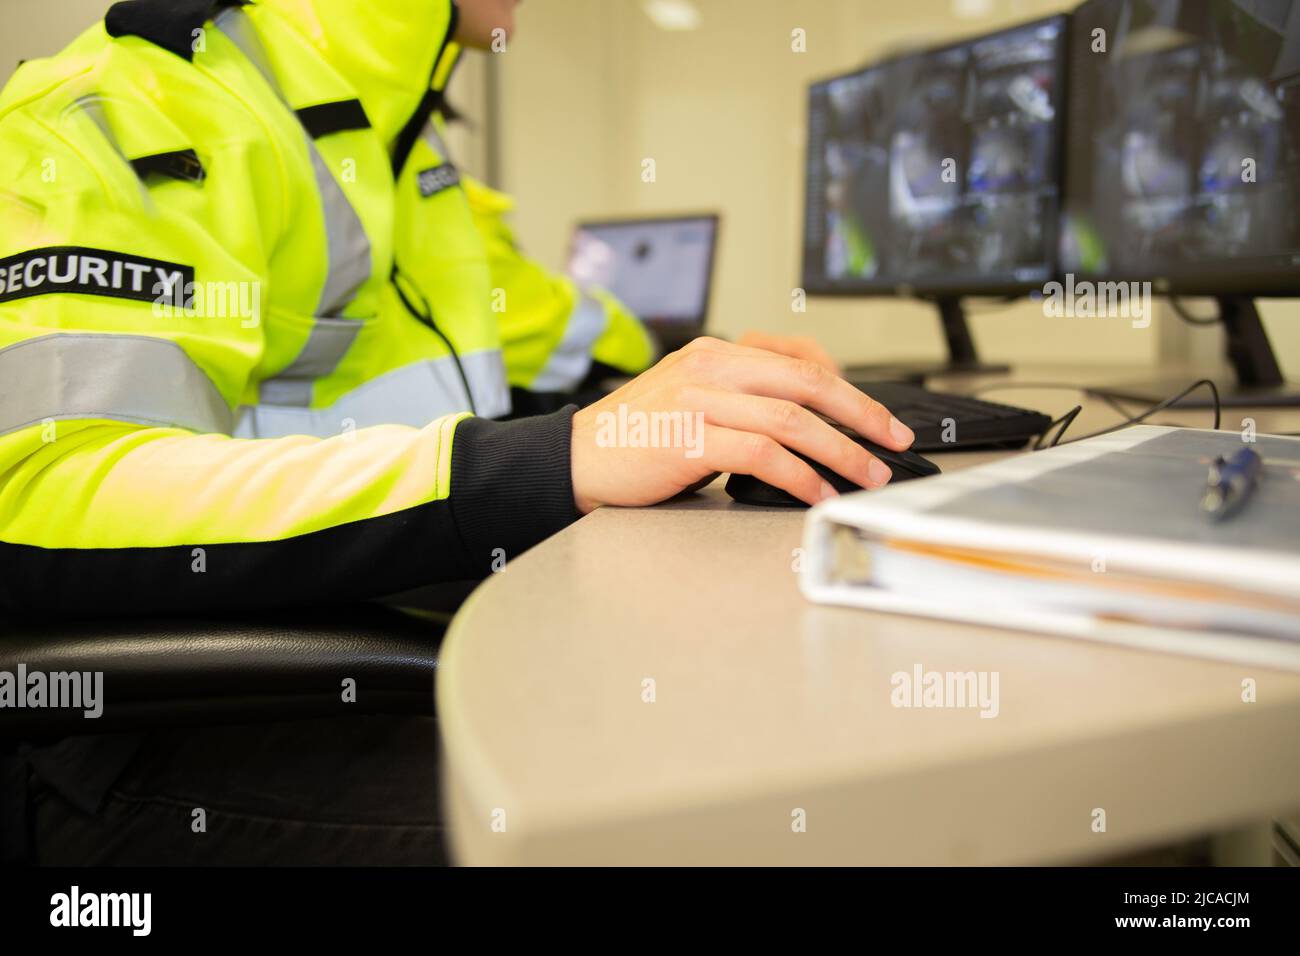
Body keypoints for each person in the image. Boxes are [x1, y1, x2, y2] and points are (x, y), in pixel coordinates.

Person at [0, 0, 913, 864]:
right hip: (172, 734)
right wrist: (538, 463)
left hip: (404, 638)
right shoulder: (119, 108)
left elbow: (562, 332)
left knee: (773, 729)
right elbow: (39, 487)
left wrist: (707, 368)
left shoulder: (400, 149)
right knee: (723, 829)